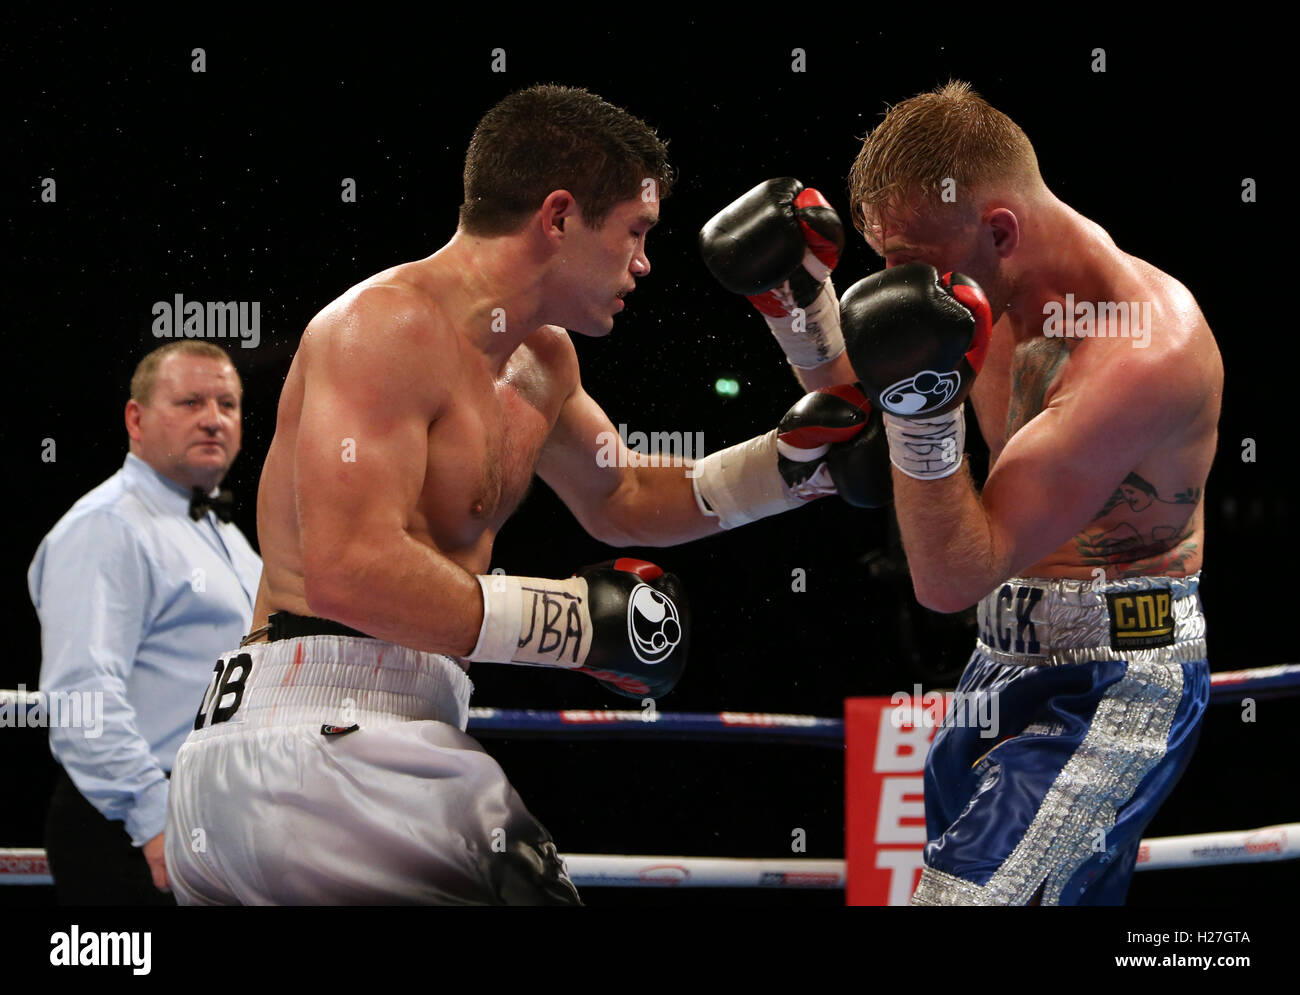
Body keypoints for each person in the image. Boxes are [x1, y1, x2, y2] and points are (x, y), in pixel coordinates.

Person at [163, 84, 891, 907]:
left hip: (345, 750)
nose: (645, 264)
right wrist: (572, 622)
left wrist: (794, 465)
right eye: (635, 232)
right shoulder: (385, 326)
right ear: (557, 216)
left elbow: (620, 490)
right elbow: (347, 569)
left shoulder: (541, 364)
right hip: (319, 738)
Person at [833, 81, 1220, 905]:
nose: (907, 296)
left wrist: (920, 417)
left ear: (999, 231)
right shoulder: (982, 295)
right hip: (994, 661)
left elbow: (945, 575)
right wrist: (793, 308)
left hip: (1114, 678)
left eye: (912, 271)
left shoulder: (1142, 351)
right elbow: (852, 406)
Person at [28, 340, 261, 905]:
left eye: (227, 405)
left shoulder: (223, 533)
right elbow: (81, 693)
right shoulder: (108, 527)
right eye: (189, 403)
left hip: (216, 821)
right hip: (132, 828)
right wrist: (150, 815)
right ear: (136, 418)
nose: (212, 420)